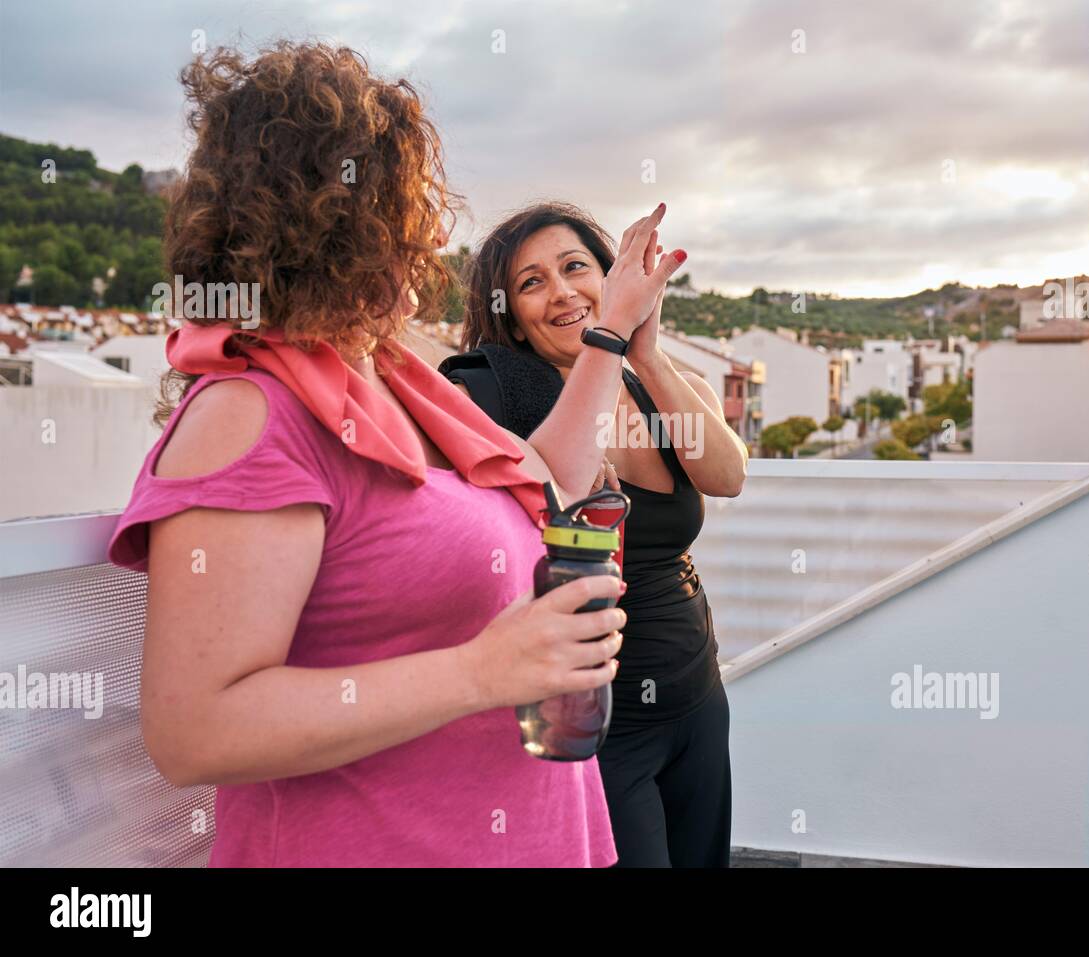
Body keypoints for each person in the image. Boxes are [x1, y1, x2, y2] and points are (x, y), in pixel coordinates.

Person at [106, 42, 681, 867]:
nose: (431, 232)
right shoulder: (248, 414)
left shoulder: (395, 381)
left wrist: (614, 327)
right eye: (408, 201)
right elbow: (194, 729)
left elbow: (547, 476)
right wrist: (482, 672)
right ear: (344, 219)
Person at [441, 202, 749, 866]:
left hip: (698, 696)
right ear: (512, 317)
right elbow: (526, 509)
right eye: (531, 282)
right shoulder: (490, 400)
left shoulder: (660, 386)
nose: (560, 292)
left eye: (575, 266)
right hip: (596, 722)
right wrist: (608, 339)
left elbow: (727, 475)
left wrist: (646, 352)